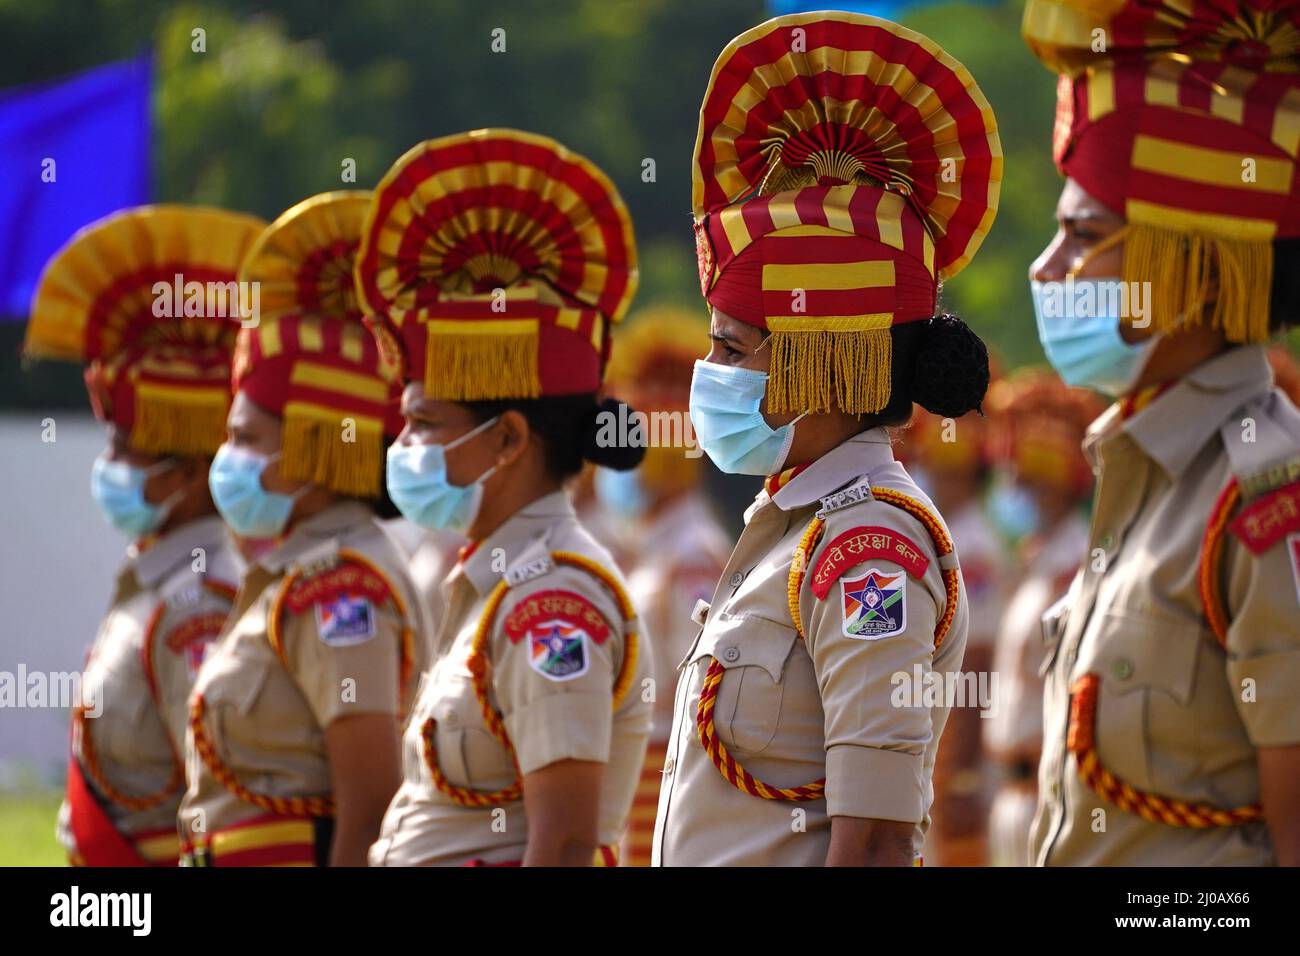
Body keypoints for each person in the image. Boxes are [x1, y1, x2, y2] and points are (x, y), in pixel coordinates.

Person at [653, 10, 1003, 866]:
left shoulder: (868, 544)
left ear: (819, 362)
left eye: (731, 348)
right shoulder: (792, 528)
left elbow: (877, 840)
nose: (710, 371)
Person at [1022, 0, 1300, 865]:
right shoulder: (1144, 471)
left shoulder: (1269, 492)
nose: (1046, 268)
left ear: (1190, 258)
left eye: (1082, 235)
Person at [358, 128, 654, 867]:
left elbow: (560, 844)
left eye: (425, 424)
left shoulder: (549, 603)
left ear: (508, 440)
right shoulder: (496, 589)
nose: (404, 447)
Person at [180, 191, 430, 867]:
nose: (226, 459)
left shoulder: (342, 587)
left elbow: (371, 806)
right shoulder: (295, 572)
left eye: (245, 438)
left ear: (319, 446)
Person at [24, 205, 265, 865]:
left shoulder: (202, 601)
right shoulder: (156, 585)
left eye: (127, 449)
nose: (111, 468)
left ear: (188, 472)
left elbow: (218, 802)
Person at [595, 306, 733, 865]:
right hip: (635, 775)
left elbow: (699, 697)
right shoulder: (652, 548)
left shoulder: (693, 553)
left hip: (663, 777)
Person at [980, 368, 1100, 866]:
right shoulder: (1033, 562)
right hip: (1010, 794)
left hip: (1049, 796)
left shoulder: (1076, 565)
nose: (1014, 488)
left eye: (1024, 479)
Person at [896, 407, 1008, 866]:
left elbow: (975, 663)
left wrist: (962, 774)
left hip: (956, 750)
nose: (935, 478)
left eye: (948, 470)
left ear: (969, 476)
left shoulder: (972, 548)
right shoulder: (945, 536)